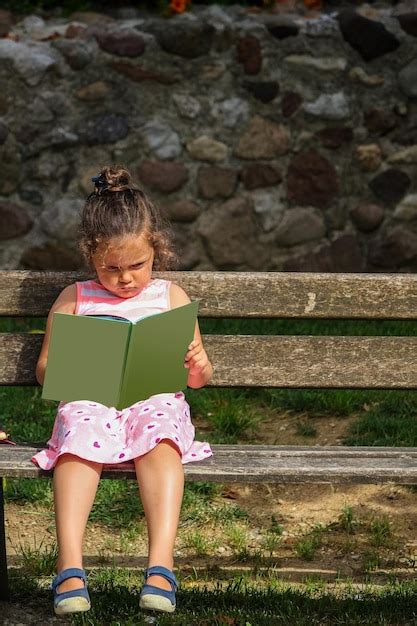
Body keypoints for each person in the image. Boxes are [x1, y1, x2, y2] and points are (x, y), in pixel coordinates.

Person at [32, 165, 213, 616]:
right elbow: (45, 369)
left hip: (152, 399)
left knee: (162, 437)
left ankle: (160, 566)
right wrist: (70, 362)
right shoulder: (76, 298)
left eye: (137, 265)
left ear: (157, 252)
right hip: (93, 398)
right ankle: (69, 565)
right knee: (78, 436)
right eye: (111, 268)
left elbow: (197, 378)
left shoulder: (170, 297)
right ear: (91, 257)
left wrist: (197, 366)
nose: (126, 278)